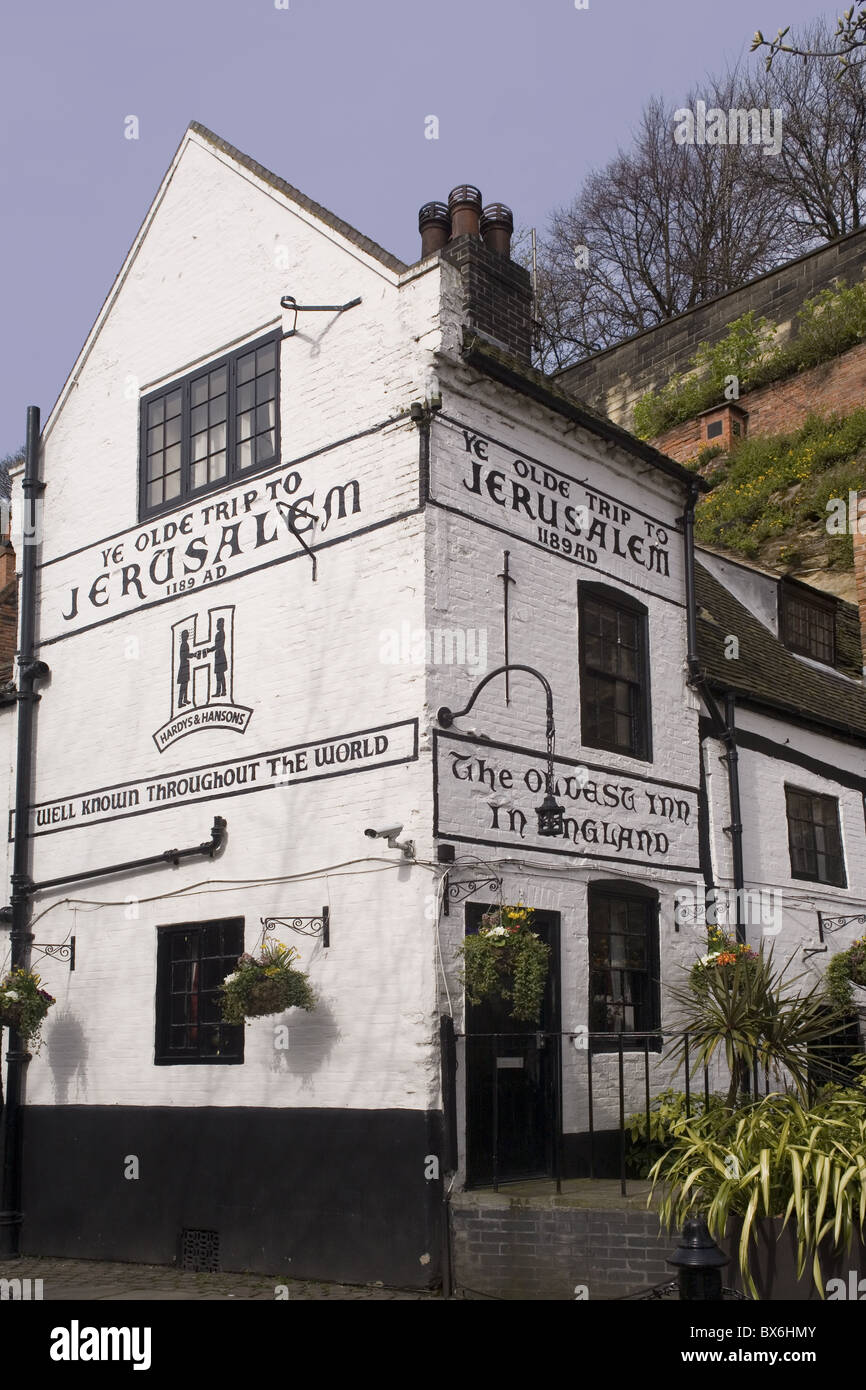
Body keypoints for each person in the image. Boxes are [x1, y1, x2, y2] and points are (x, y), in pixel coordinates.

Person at [177, 630, 191, 708]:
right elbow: (185, 655)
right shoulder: (184, 644)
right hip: (183, 666)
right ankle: (180, 702)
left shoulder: (185, 644)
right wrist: (193, 655)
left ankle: (184, 699)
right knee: (183, 685)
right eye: (185, 635)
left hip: (185, 665)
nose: (186, 637)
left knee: (185, 684)